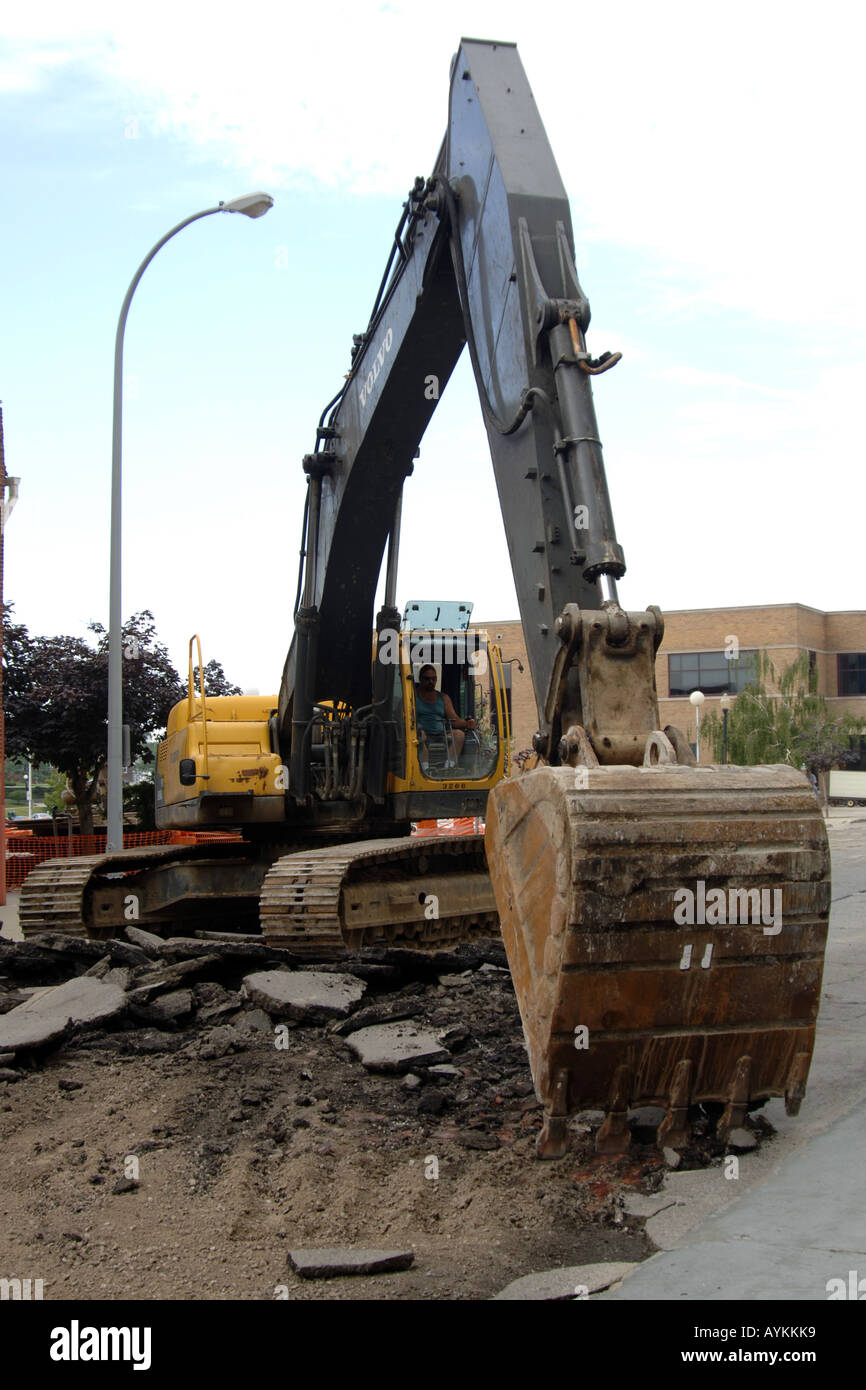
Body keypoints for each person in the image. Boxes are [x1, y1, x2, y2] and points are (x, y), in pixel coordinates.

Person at [414, 664, 475, 759]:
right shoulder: (412, 697)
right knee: (420, 735)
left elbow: (454, 720)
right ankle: (424, 767)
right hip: (420, 734)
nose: (431, 681)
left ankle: (450, 766)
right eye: (427, 678)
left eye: (433, 679)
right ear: (420, 679)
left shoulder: (443, 698)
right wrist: (418, 729)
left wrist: (467, 723)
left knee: (459, 735)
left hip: (440, 735)